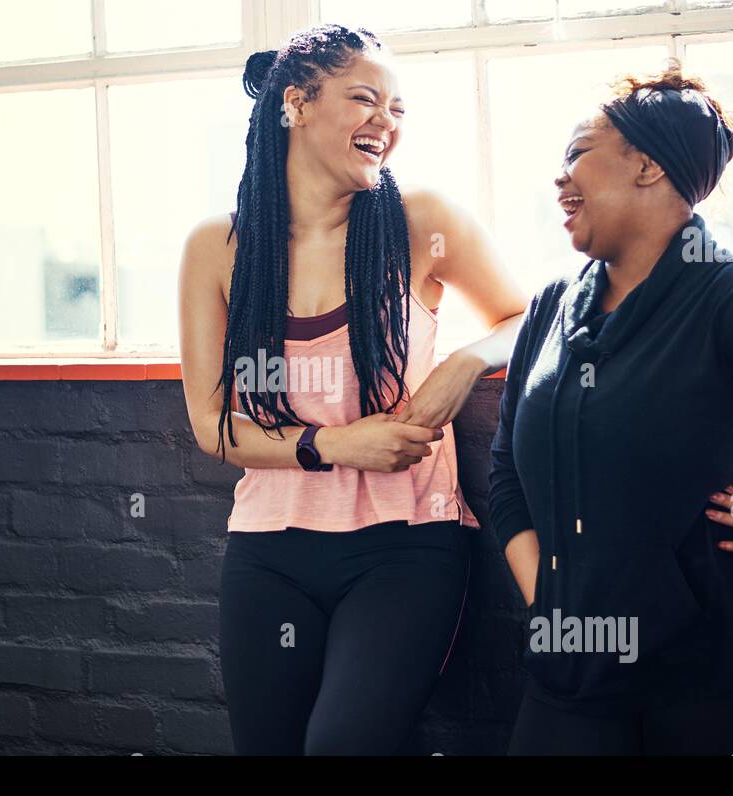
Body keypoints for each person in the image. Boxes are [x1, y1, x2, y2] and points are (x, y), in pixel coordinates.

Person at [488, 62, 733, 755]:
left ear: (647, 167)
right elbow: (507, 474)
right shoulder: (554, 304)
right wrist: (552, 608)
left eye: (578, 154)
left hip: (716, 686)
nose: (560, 178)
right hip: (571, 680)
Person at [178, 23, 526, 755]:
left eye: (398, 110)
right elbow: (211, 424)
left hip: (406, 546)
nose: (386, 123)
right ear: (297, 105)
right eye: (366, 99)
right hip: (269, 550)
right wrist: (335, 444)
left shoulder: (420, 220)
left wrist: (461, 365)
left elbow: (526, 317)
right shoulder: (219, 247)